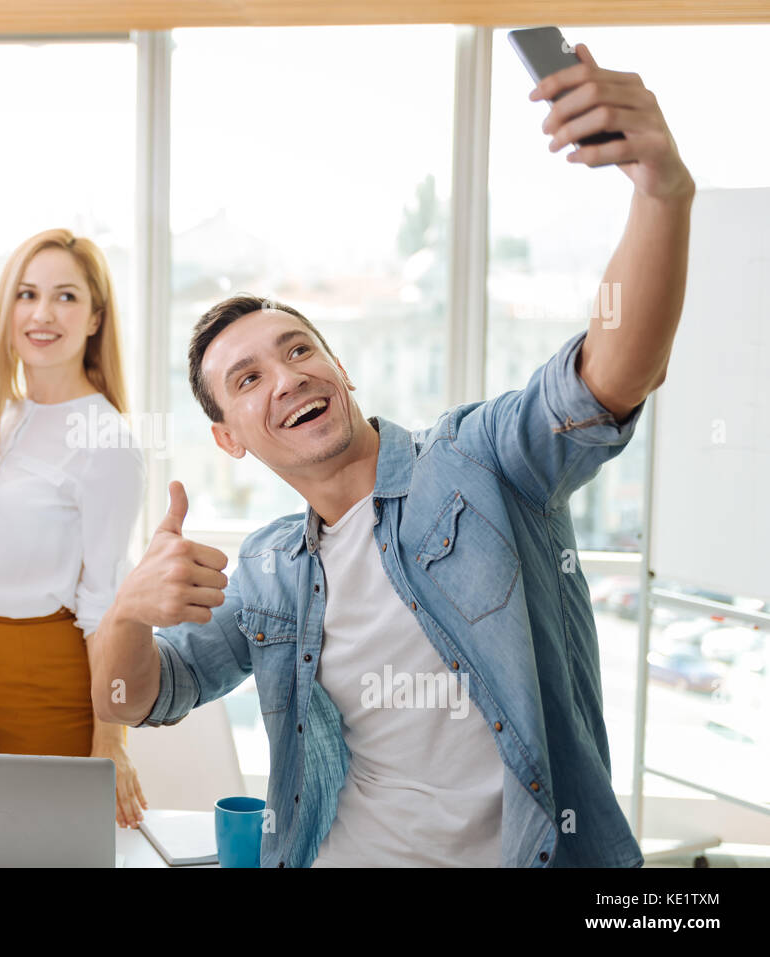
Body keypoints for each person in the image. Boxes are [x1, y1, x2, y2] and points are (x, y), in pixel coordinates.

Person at [93, 47, 696, 866]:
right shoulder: (271, 572)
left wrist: (662, 188)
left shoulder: (480, 462)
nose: (289, 375)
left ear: (340, 369)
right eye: (249, 377)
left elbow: (611, 375)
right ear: (228, 438)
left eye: (300, 348)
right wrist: (127, 610)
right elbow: (130, 695)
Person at [0, 228, 148, 828]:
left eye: (66, 297)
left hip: (55, 697)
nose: (42, 314)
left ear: (95, 318)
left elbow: (106, 609)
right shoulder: (0, 417)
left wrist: (110, 745)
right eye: (27, 294)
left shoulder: (107, 441)